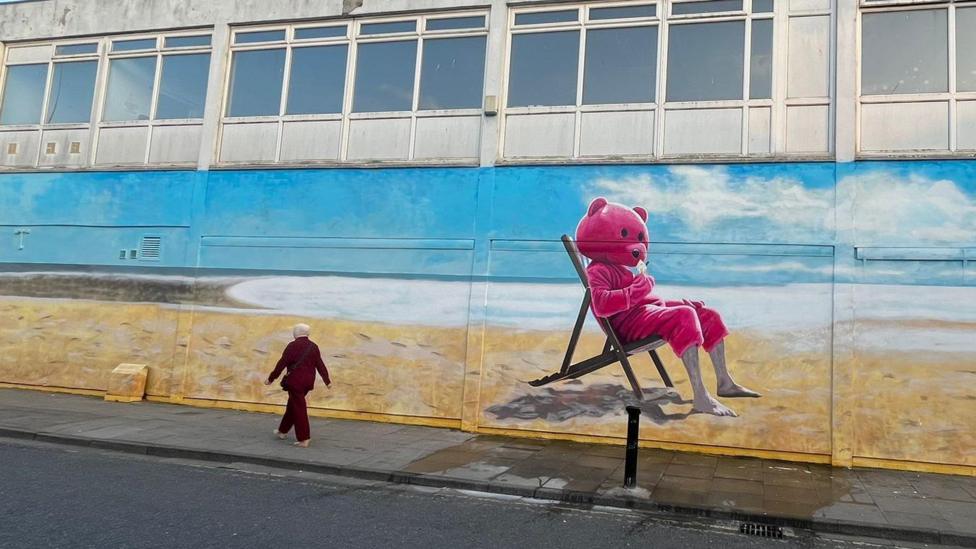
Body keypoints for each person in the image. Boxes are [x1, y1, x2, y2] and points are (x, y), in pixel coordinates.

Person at [264, 323, 331, 447]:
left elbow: (282, 363)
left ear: (296, 332)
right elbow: (320, 364)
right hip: (308, 382)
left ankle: (304, 438)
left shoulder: (292, 346)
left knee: (299, 408)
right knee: (293, 405)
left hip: (295, 382)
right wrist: (327, 381)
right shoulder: (313, 346)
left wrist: (271, 378)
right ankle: (282, 431)